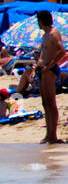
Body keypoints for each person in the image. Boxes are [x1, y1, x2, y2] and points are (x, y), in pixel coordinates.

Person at [37, 10, 64, 144]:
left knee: (51, 102)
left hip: (49, 70)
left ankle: (53, 135)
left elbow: (61, 51)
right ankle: (48, 134)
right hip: (42, 69)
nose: (37, 23)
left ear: (42, 20)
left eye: (38, 20)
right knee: (45, 103)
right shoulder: (45, 35)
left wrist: (49, 65)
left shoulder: (53, 34)